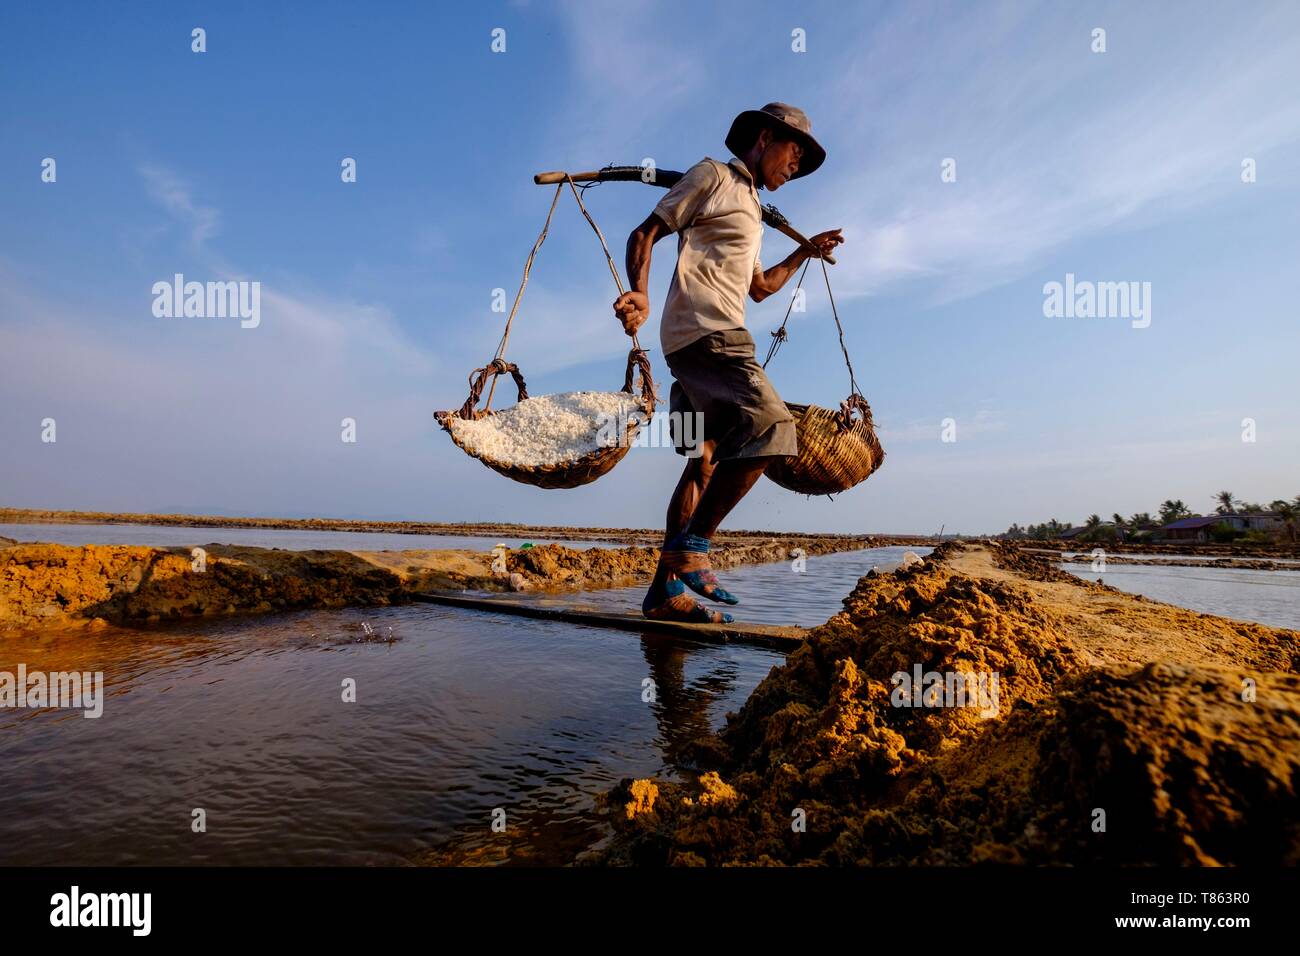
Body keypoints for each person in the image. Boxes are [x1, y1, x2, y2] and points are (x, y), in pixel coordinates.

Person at [613, 102, 843, 623]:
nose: (796, 165)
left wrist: (804, 253)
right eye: (794, 152)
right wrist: (640, 293)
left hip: (695, 346)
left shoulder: (751, 209)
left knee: (705, 460)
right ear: (764, 139)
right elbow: (645, 232)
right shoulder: (713, 176)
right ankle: (693, 547)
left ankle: (663, 594)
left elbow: (760, 288)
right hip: (710, 335)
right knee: (773, 427)